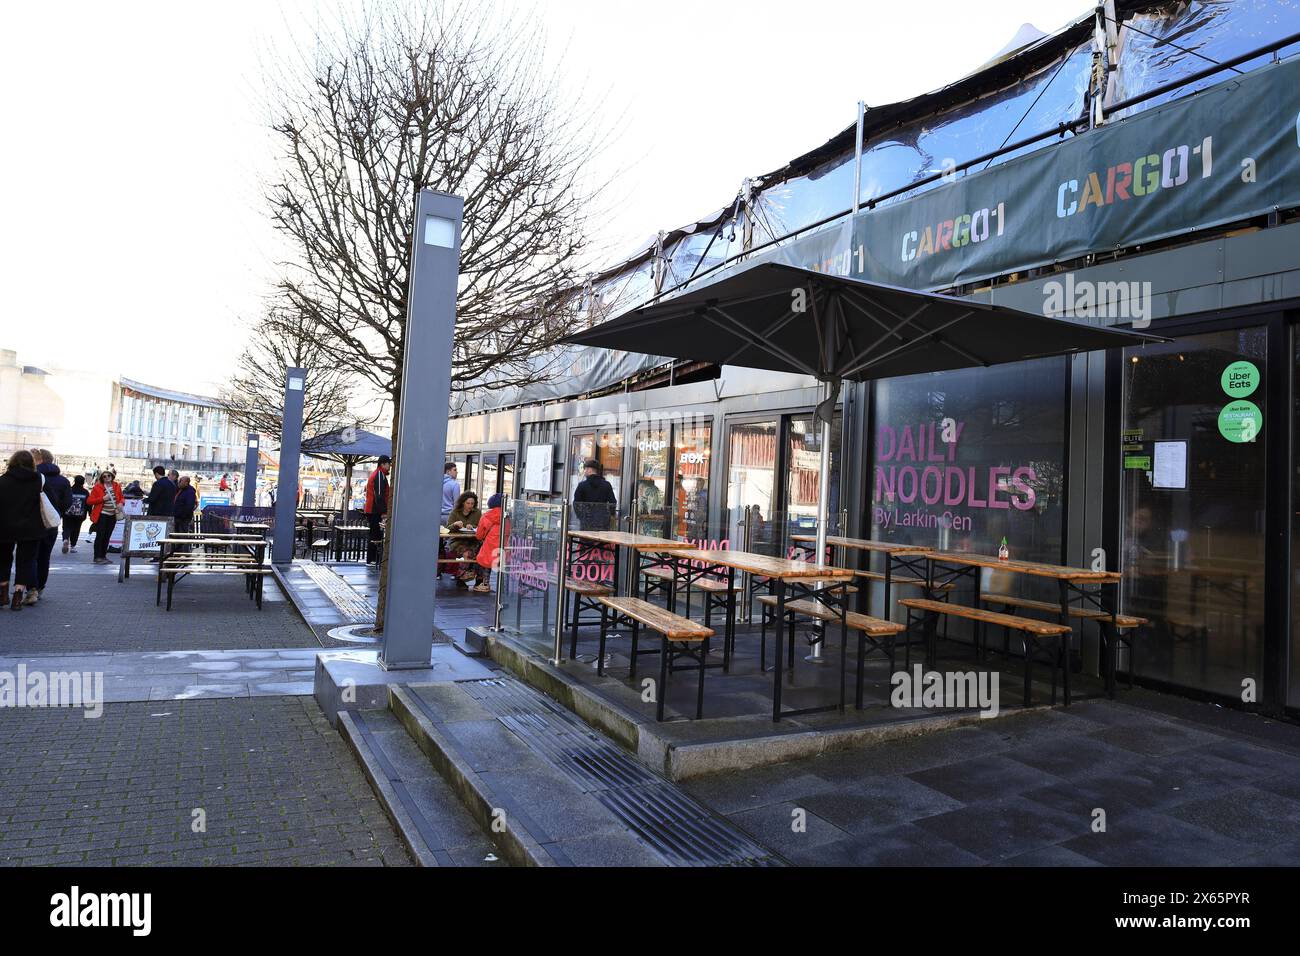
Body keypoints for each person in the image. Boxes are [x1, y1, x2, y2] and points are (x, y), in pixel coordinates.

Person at [0, 450, 45, 611]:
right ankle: (18, 597)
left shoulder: (3, 481)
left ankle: (3, 593)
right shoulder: (38, 480)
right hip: (31, 527)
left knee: (3, 559)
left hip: (5, 527)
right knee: (25, 562)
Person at [30, 449, 71, 605]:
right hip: (51, 524)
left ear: (38, 460)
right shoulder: (63, 480)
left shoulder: (33, 477)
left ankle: (30, 588)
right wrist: (56, 512)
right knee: (44, 557)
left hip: (32, 522)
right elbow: (68, 502)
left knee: (30, 556)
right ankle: (40, 587)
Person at [445, 491, 482, 589]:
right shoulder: (455, 512)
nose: (470, 506)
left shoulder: (477, 512)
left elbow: (480, 527)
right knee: (467, 553)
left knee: (477, 551)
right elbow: (447, 529)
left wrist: (473, 526)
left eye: (472, 503)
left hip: (473, 540)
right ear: (463, 503)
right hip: (458, 540)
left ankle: (463, 577)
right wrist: (455, 525)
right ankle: (461, 577)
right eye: (468, 503)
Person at [87, 471, 125, 564]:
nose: (107, 477)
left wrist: (121, 503)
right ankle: (97, 557)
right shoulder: (98, 487)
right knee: (100, 536)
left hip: (113, 514)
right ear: (102, 478)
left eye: (109, 475)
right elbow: (89, 501)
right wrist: (103, 499)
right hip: (102, 515)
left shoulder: (116, 485)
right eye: (104, 476)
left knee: (107, 536)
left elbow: (121, 497)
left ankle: (103, 556)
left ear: (112, 476)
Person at [573, 459, 616, 530]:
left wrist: (582, 517)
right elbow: (613, 502)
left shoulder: (582, 485)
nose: (585, 471)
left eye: (586, 469)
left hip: (586, 523)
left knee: (585, 540)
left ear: (590, 470)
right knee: (601, 541)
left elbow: (576, 504)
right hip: (602, 522)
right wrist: (609, 515)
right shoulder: (606, 485)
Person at [473, 493, 503, 594]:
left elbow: (479, 536)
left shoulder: (486, 516)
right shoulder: (507, 517)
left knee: (481, 556)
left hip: (490, 549)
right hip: (503, 550)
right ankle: (501, 587)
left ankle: (483, 583)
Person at [364, 455, 392, 565]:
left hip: (373, 509)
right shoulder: (379, 475)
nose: (390, 466)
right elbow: (379, 495)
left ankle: (373, 559)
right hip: (375, 510)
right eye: (388, 463)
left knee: (375, 534)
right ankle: (372, 559)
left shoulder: (378, 474)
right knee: (375, 534)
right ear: (383, 464)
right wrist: (383, 512)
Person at [63, 475, 90, 553]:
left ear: (74, 481)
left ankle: (65, 539)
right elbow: (88, 504)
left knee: (66, 527)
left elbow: (63, 500)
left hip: (67, 514)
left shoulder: (69, 490)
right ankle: (73, 546)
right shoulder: (85, 492)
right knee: (76, 530)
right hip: (80, 515)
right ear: (83, 482)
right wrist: (90, 513)